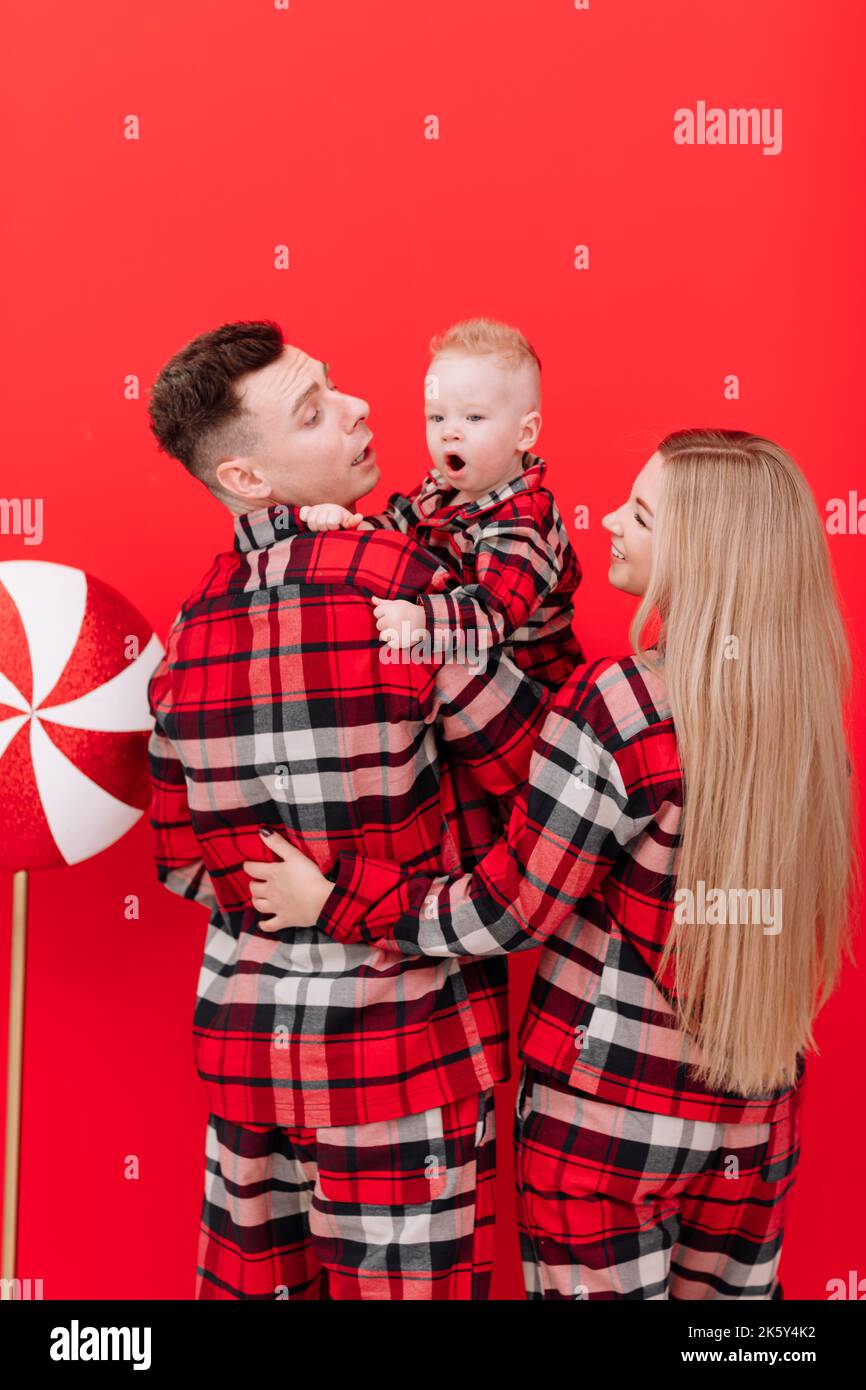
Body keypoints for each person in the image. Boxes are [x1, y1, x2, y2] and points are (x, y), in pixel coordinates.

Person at [245, 429, 857, 1299]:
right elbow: (731, 911)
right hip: (755, 1127)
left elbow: (508, 913)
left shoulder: (624, 703)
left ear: (703, 556)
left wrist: (337, 895)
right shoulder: (811, 723)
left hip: (607, 1121)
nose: (608, 518)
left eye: (640, 514)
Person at [145, 319, 551, 1300]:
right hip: (400, 1063)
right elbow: (542, 781)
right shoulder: (402, 591)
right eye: (315, 411)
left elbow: (182, 862)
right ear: (246, 475)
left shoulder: (188, 633)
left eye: (335, 386)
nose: (363, 408)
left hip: (249, 1060)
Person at [299, 316, 583, 691]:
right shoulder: (440, 488)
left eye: (474, 417)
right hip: (464, 676)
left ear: (524, 432)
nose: (449, 431)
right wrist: (350, 524)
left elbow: (493, 613)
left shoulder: (526, 519)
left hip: (531, 693)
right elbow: (395, 527)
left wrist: (423, 621)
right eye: (437, 417)